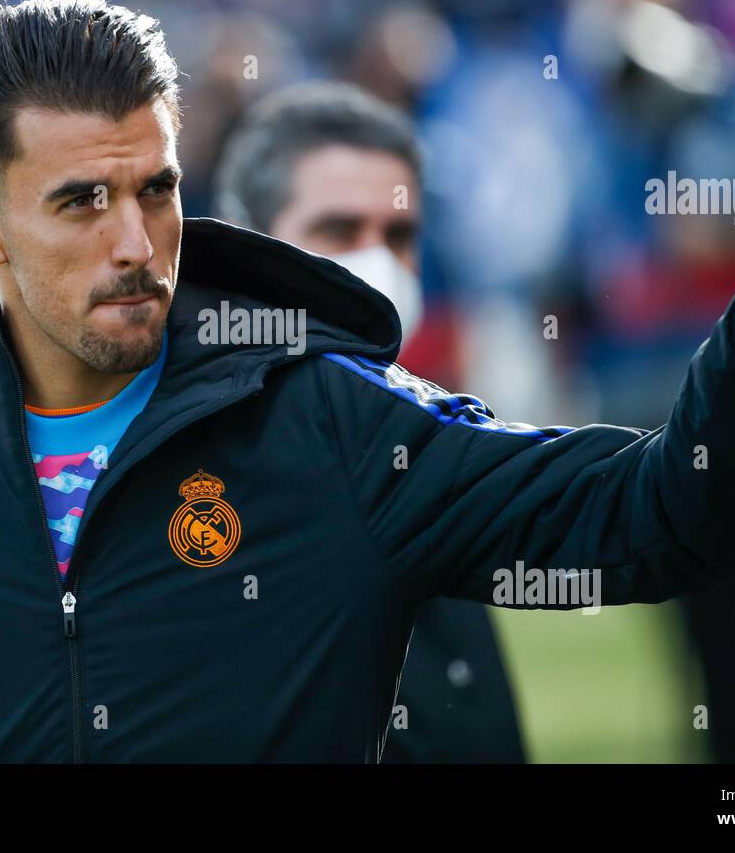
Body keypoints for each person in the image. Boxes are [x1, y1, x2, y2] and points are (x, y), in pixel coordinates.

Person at [0, 0, 735, 762]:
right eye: (79, 201)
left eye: (153, 189)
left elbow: (661, 517)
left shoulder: (329, 422)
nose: (132, 240)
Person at [213, 81, 525, 762]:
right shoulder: (209, 455)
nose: (377, 261)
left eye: (399, 235)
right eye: (338, 230)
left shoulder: (424, 432)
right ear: (250, 244)